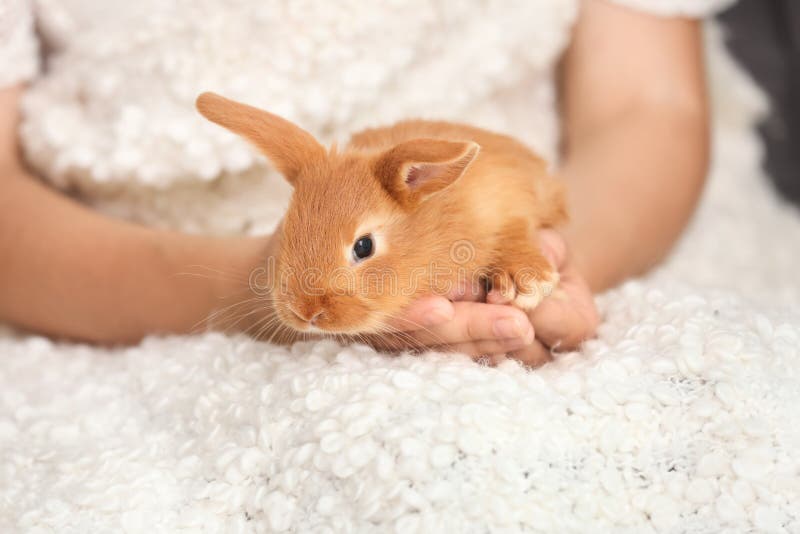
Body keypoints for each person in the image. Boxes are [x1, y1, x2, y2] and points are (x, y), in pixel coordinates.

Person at [0, 0, 716, 366]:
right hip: (118, 303)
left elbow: (649, 108)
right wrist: (248, 293)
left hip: (604, 233)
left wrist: (555, 264)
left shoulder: (437, 188)